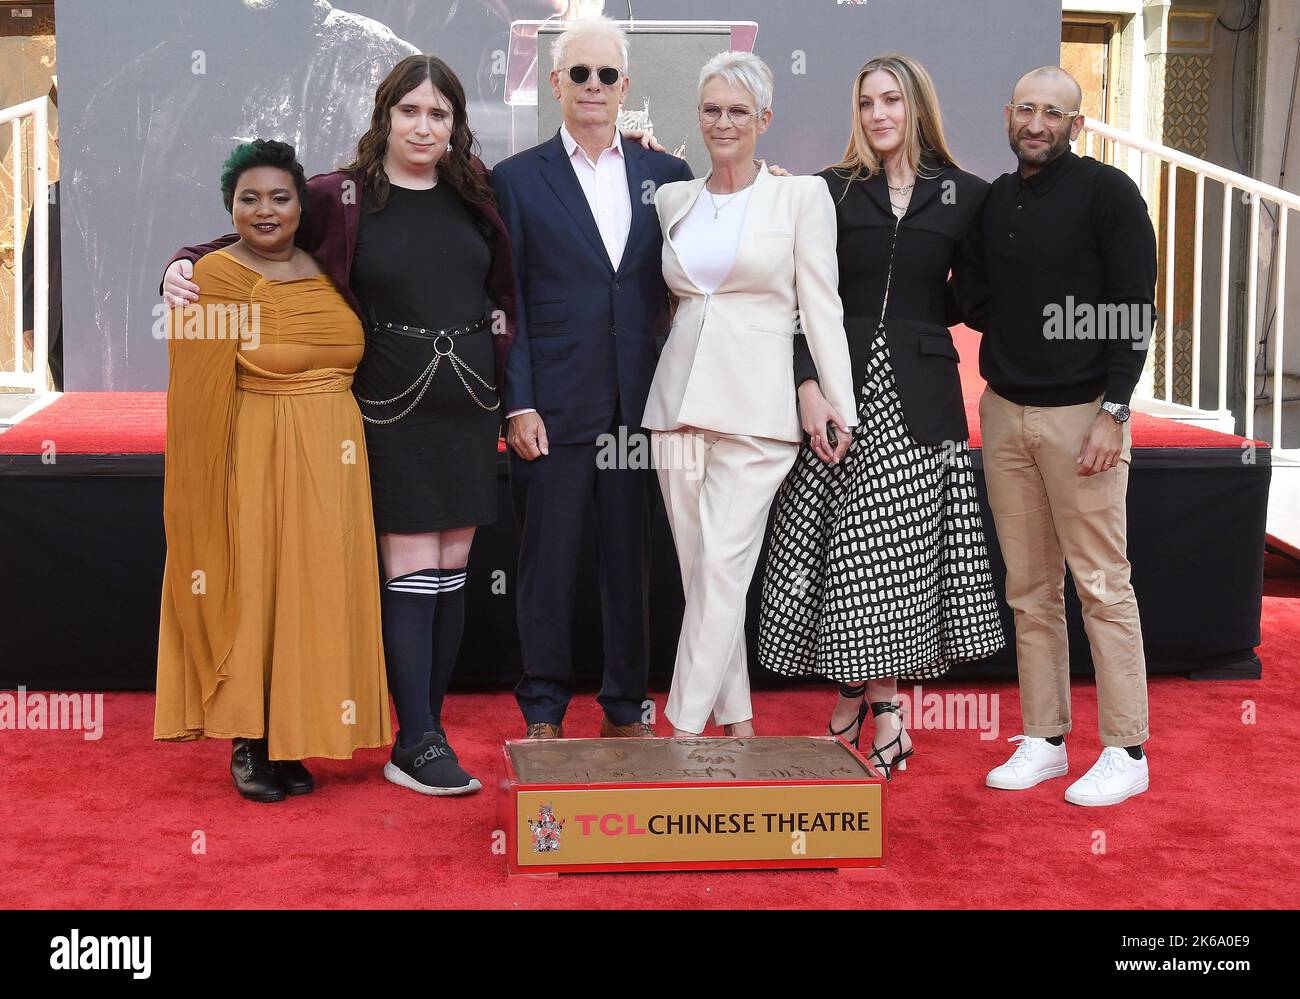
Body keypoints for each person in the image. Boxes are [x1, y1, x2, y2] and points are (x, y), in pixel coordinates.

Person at [162, 56, 518, 796]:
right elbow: (262, 227)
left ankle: (426, 730)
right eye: (410, 111)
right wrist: (184, 260)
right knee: (412, 569)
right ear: (385, 115)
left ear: (456, 123)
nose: (425, 126)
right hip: (387, 414)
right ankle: (414, 739)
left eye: (439, 113)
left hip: (467, 411)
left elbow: (504, 292)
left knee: (452, 569)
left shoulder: (476, 192)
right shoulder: (342, 196)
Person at [758, 54, 1005, 778]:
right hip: (839, 391)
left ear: (917, 106)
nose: (879, 115)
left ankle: (871, 704)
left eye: (892, 100)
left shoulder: (967, 195)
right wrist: (807, 385)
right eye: (867, 102)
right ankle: (876, 706)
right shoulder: (829, 191)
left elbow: (980, 298)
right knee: (846, 556)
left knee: (888, 557)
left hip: (921, 401)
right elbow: (799, 299)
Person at [154, 139, 392, 802]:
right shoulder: (215, 280)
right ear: (229, 207)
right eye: (248, 198)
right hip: (255, 456)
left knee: (311, 590)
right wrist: (211, 496)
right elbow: (195, 407)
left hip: (335, 458)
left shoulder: (328, 268)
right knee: (257, 590)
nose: (265, 210)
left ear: (300, 205)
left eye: (279, 197)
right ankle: (247, 740)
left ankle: (291, 733)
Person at [644, 51, 858, 738]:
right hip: (676, 408)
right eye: (712, 109)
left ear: (765, 119)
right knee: (701, 575)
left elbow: (821, 308)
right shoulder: (674, 199)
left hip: (760, 413)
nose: (724, 122)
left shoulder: (801, 197)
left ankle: (679, 730)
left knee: (722, 568)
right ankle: (736, 722)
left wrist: (841, 406)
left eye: (739, 111)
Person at [957, 66, 1155, 806]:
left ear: (1077, 123)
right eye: (1027, 110)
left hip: (1085, 416)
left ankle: (1127, 749)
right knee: (1030, 590)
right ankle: (1043, 737)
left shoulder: (1109, 193)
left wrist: (1116, 409)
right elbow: (972, 299)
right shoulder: (997, 200)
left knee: (1102, 584)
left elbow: (1136, 306)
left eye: (1054, 113)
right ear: (1009, 115)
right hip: (1004, 410)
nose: (1038, 123)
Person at [492, 16, 693, 739]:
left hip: (640, 404)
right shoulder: (515, 179)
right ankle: (543, 708)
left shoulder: (666, 176)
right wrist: (518, 404)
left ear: (626, 86)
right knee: (547, 566)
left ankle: (623, 704)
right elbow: (506, 302)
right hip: (554, 404)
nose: (593, 87)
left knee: (629, 566)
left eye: (607, 75)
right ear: (555, 83)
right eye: (579, 73)